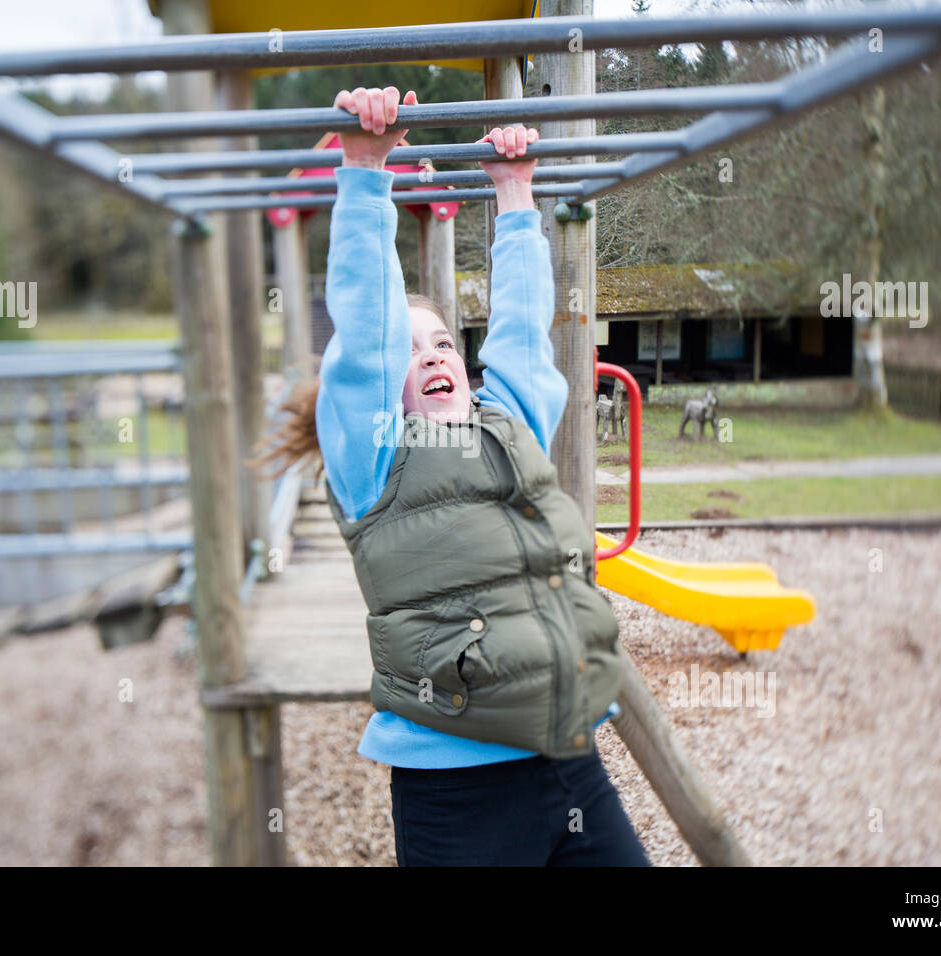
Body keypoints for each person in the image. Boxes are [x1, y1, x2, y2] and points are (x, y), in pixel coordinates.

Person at [249, 86, 650, 867]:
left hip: (570, 759)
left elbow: (523, 334)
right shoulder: (373, 460)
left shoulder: (512, 422)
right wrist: (366, 174)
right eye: (409, 352)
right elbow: (364, 339)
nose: (429, 356)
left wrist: (516, 194)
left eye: (439, 343)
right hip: (457, 788)